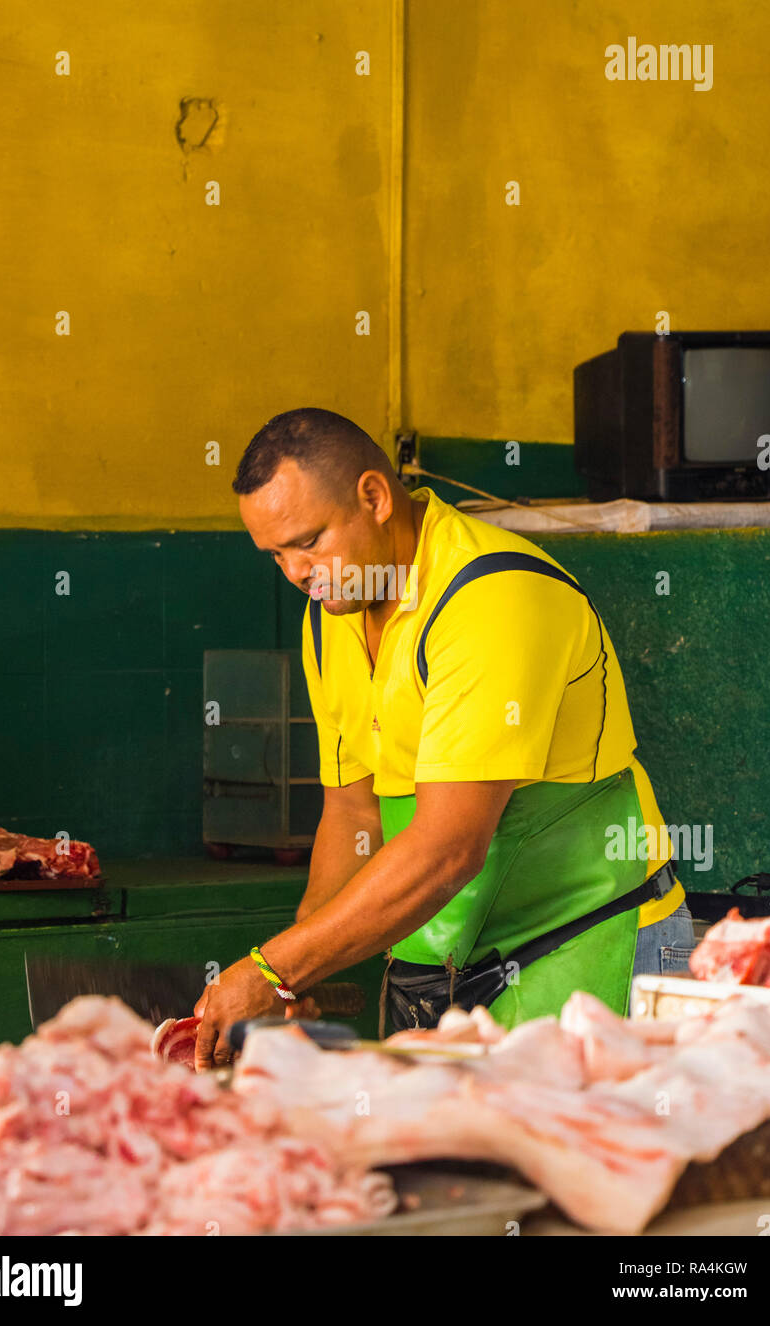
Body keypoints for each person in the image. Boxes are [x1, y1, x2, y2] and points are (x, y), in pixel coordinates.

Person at [193, 408, 693, 1068]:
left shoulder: (491, 596)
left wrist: (271, 970)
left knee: (583, 1160)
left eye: (308, 540)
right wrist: (298, 970)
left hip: (588, 945)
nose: (295, 571)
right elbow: (353, 810)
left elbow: (449, 846)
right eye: (276, 554)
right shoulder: (333, 614)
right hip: (446, 962)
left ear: (372, 497)